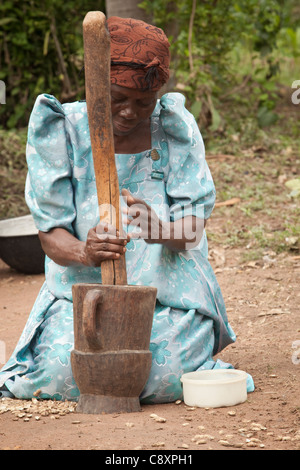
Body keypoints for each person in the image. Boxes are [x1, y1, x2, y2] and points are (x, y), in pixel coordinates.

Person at [0, 17, 254, 403]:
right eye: (117, 98)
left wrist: (161, 230)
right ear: (96, 85)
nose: (130, 113)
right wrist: (84, 252)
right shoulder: (62, 129)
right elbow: (51, 235)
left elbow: (192, 229)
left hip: (167, 295)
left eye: (142, 102)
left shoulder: (172, 128)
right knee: (63, 373)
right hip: (82, 295)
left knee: (163, 376)